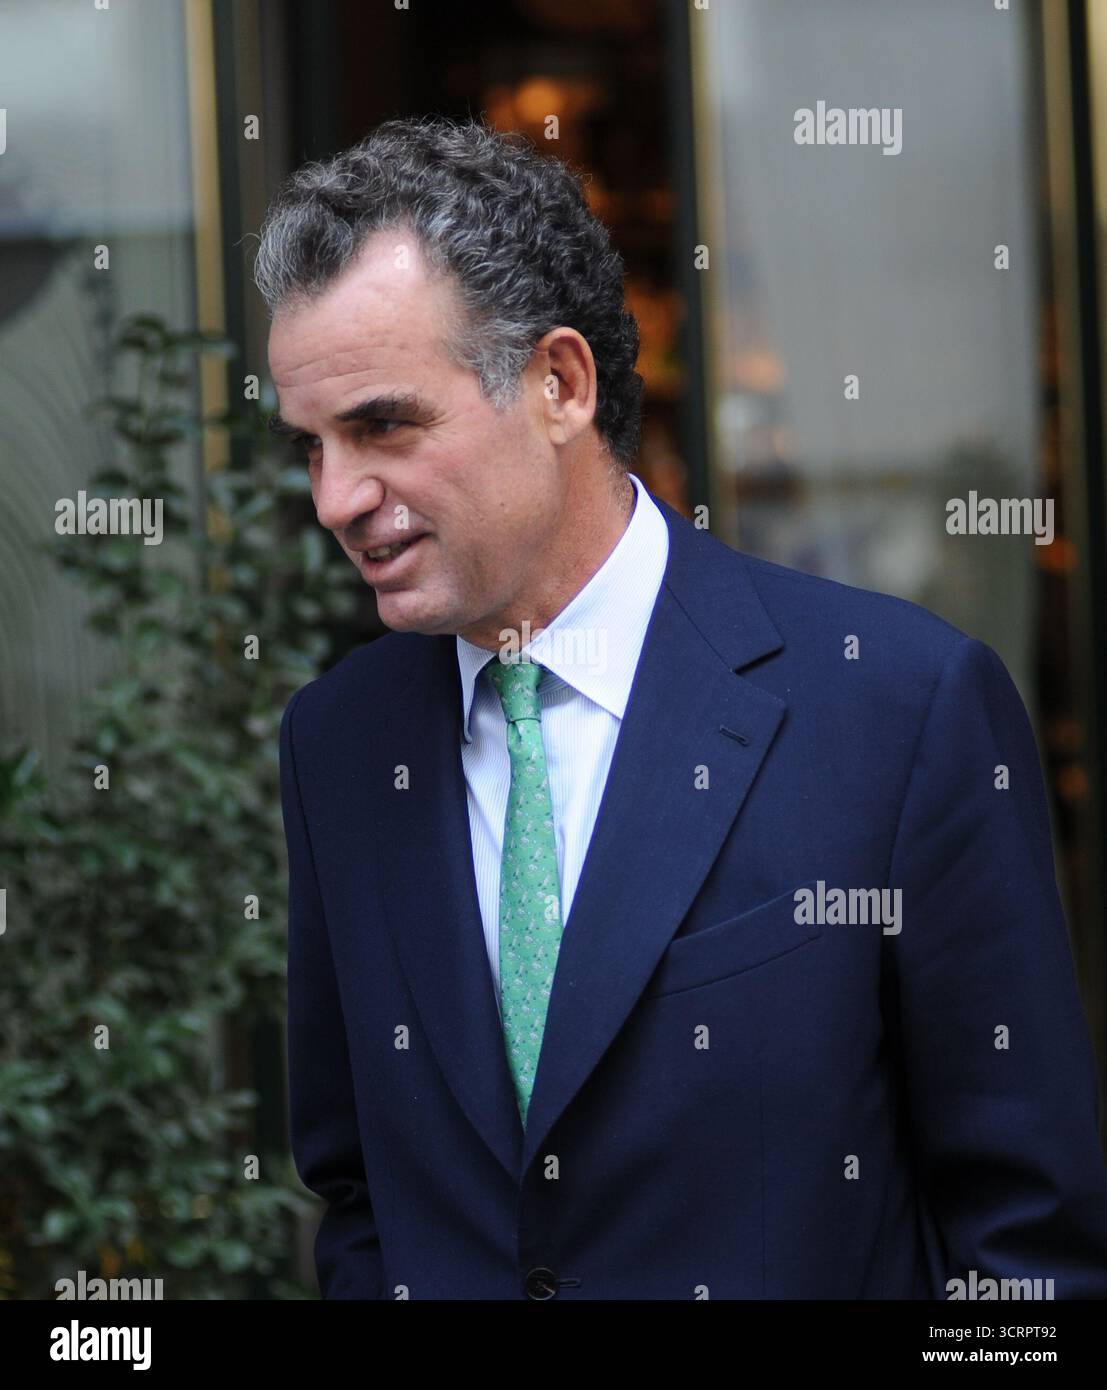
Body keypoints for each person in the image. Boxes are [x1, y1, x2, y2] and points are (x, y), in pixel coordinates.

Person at [254, 115, 1107, 1299]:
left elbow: (1026, 1233)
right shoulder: (339, 743)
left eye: (383, 425)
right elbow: (359, 1191)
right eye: (311, 447)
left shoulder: (897, 708)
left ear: (559, 383)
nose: (338, 497)